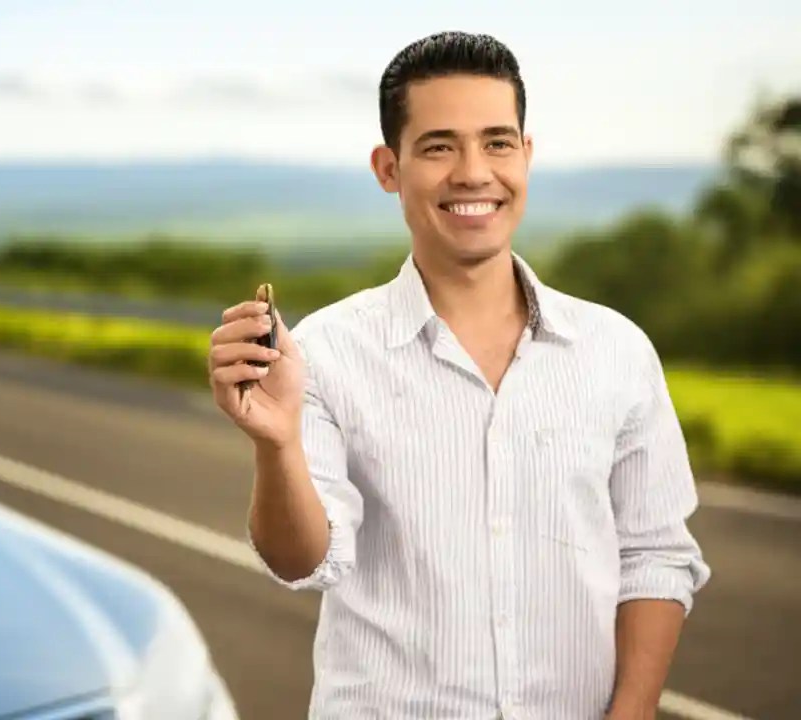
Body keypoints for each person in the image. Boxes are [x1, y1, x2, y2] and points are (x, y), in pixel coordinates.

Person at [207, 31, 711, 720]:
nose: (474, 172)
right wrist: (277, 441)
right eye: (440, 146)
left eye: (498, 142)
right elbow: (306, 562)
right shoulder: (324, 351)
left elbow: (655, 554)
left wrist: (632, 712)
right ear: (389, 167)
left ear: (526, 156)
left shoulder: (615, 350)